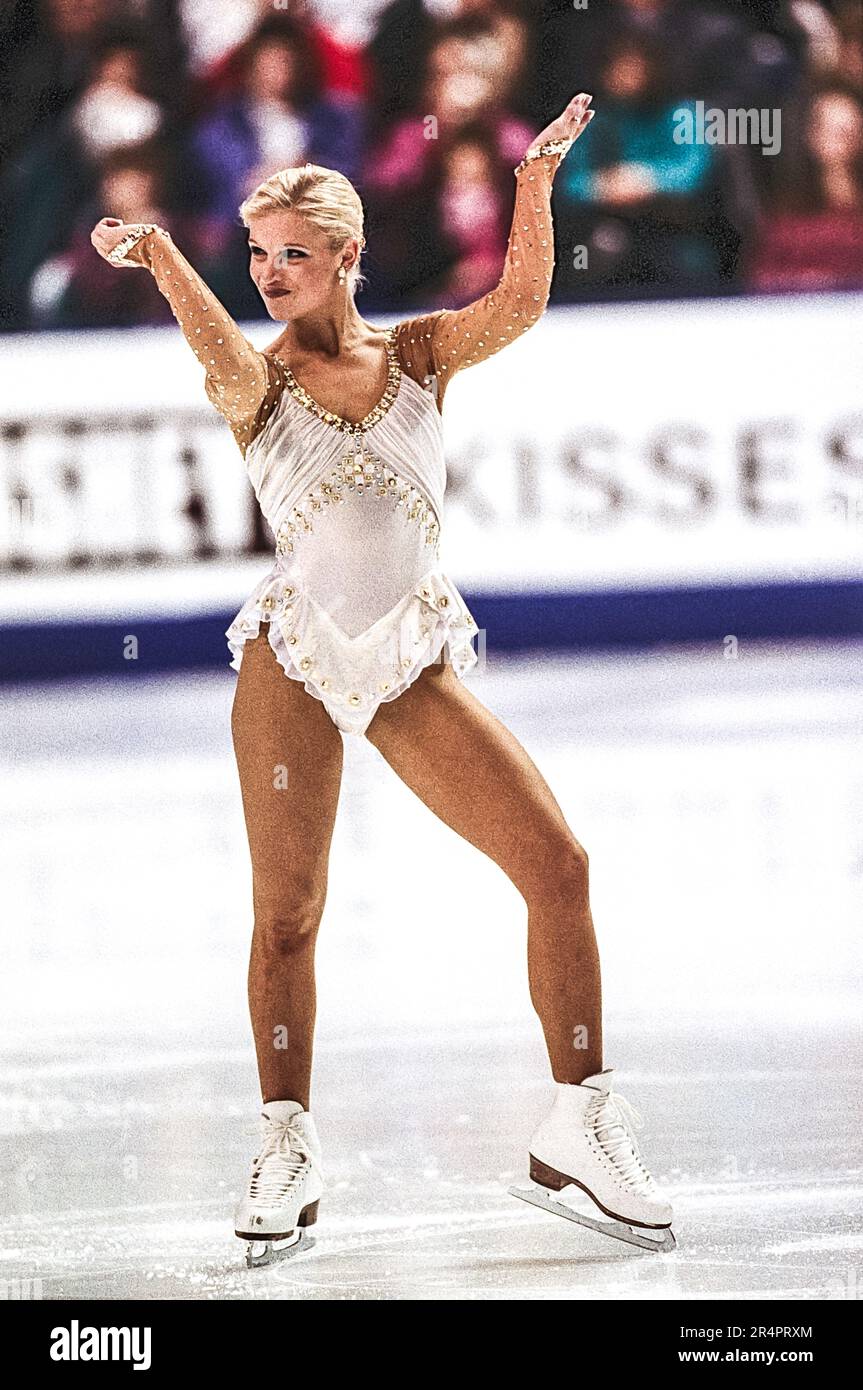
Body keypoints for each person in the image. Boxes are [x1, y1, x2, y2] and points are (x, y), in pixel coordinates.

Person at [91, 91, 675, 1265]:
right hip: (294, 662)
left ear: (346, 256)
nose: (268, 275)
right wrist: (159, 254)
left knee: (556, 865)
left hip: (406, 661)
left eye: (292, 256)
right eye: (256, 255)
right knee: (287, 914)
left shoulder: (415, 356)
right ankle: (285, 1142)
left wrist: (530, 184)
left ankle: (578, 1121)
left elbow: (515, 306)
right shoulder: (256, 386)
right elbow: (207, 331)